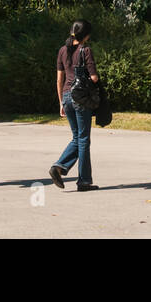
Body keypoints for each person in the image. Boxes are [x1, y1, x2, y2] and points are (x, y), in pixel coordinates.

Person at [49, 19, 100, 192]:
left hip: (66, 96)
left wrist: (61, 102)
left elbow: (59, 79)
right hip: (81, 98)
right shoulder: (85, 50)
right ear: (86, 35)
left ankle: (60, 166)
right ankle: (83, 181)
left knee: (77, 137)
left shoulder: (62, 51)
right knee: (84, 139)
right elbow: (93, 78)